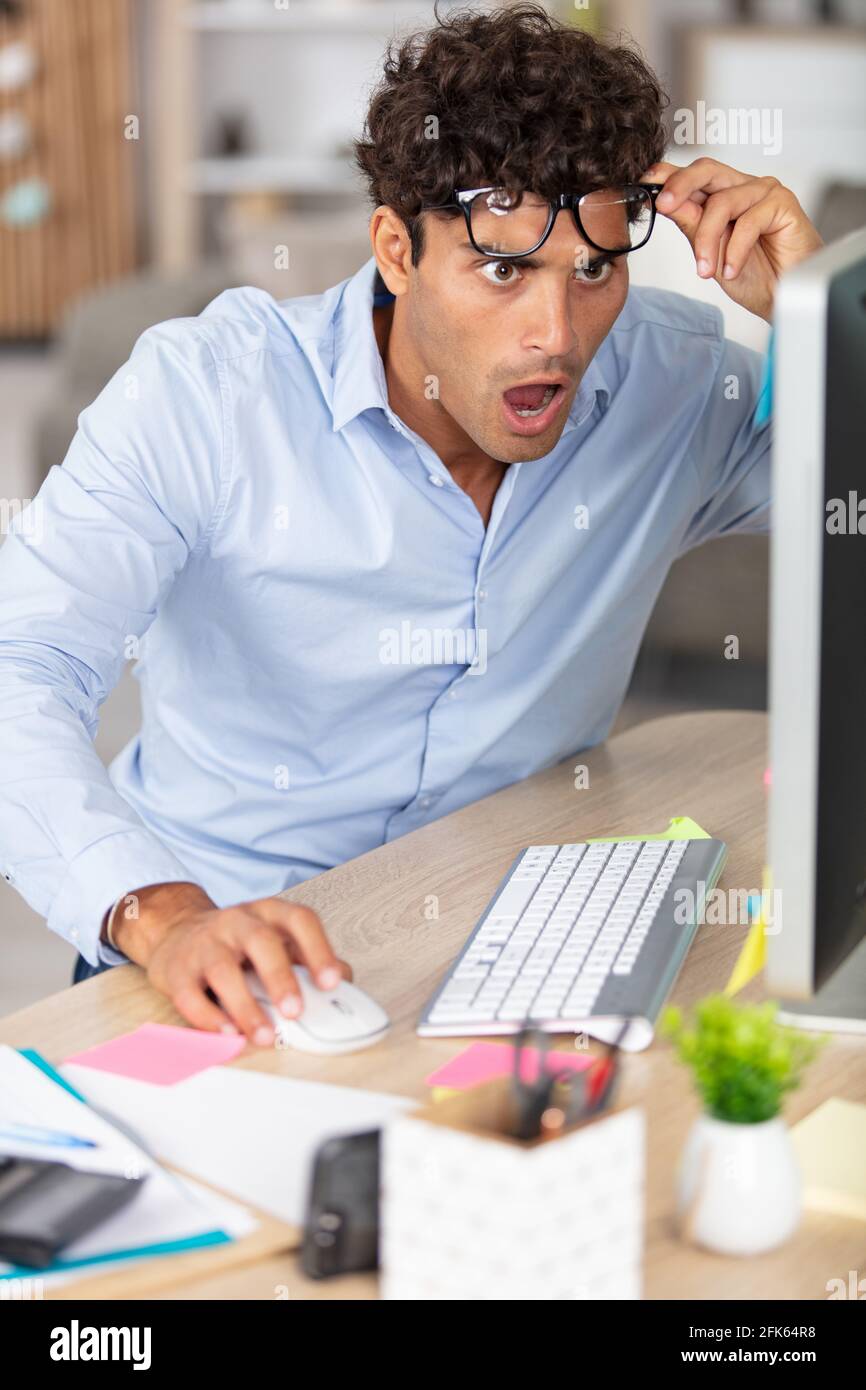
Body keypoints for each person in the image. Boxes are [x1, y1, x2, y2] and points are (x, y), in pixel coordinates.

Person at [0, 4, 822, 1044]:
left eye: (591, 270)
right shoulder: (207, 397)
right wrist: (159, 915)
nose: (555, 337)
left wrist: (820, 310)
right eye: (502, 268)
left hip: (516, 944)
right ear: (394, 248)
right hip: (210, 947)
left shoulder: (669, 379)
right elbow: (18, 664)